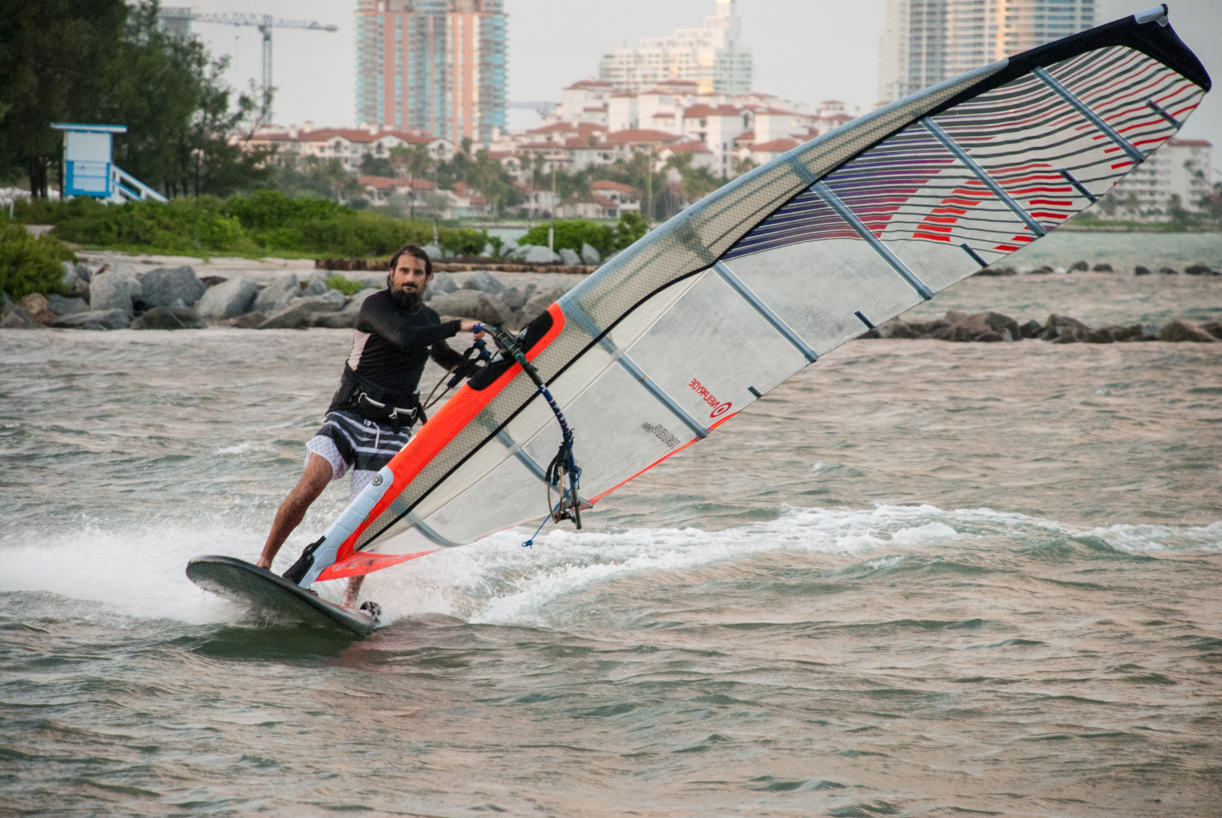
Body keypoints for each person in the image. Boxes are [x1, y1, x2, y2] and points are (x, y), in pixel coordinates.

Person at [256, 243, 484, 609]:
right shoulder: (375, 307)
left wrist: (504, 368)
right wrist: (457, 325)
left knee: (366, 522)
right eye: (404, 271)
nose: (410, 279)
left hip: (392, 431)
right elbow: (402, 338)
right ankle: (264, 563)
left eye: (418, 273)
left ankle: (350, 600)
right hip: (348, 416)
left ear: (428, 280)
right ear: (391, 274)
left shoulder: (429, 319)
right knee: (311, 485)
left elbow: (451, 362)